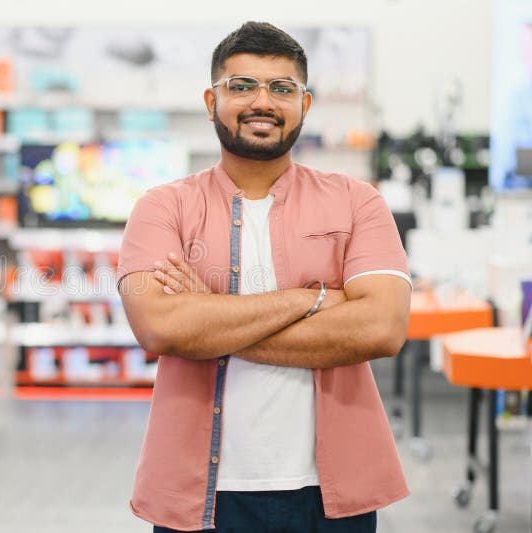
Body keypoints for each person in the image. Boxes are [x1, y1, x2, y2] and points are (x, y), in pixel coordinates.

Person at [116, 21, 412, 533]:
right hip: (199, 496)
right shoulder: (162, 207)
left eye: (281, 88)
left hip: (331, 494)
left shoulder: (357, 200)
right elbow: (160, 327)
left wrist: (208, 318)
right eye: (242, 86)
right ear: (211, 101)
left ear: (305, 104)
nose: (262, 101)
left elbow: (381, 328)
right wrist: (315, 298)